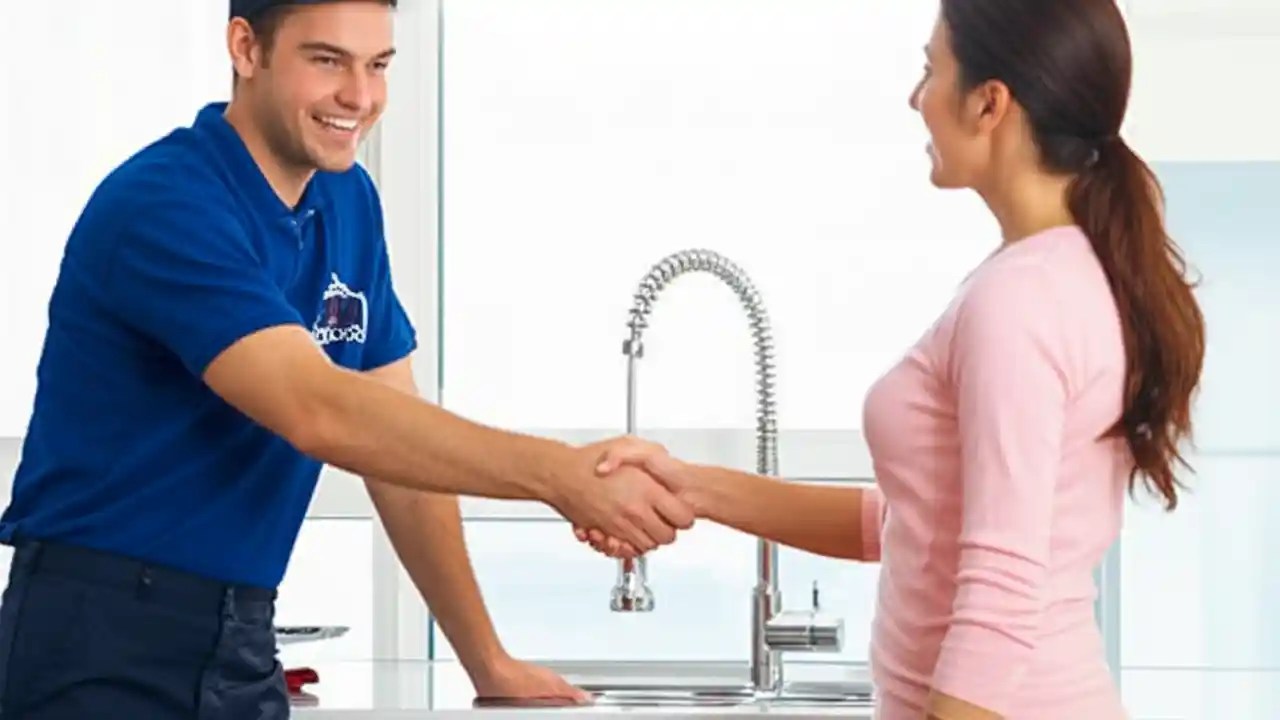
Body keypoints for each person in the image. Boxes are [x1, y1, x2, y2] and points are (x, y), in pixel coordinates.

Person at [0, 1, 693, 718]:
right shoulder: (164, 204)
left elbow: (399, 453)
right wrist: (559, 475)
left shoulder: (347, 199)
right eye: (327, 61)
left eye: (378, 65)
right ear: (246, 48)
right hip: (98, 636)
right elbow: (318, 410)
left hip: (241, 634)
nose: (360, 97)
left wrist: (486, 660)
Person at [575, 2, 1206, 719]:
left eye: (931, 70)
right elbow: (915, 521)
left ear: (989, 103)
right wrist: (693, 488)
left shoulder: (1020, 301)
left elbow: (1001, 593)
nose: (916, 97)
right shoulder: (1061, 276)